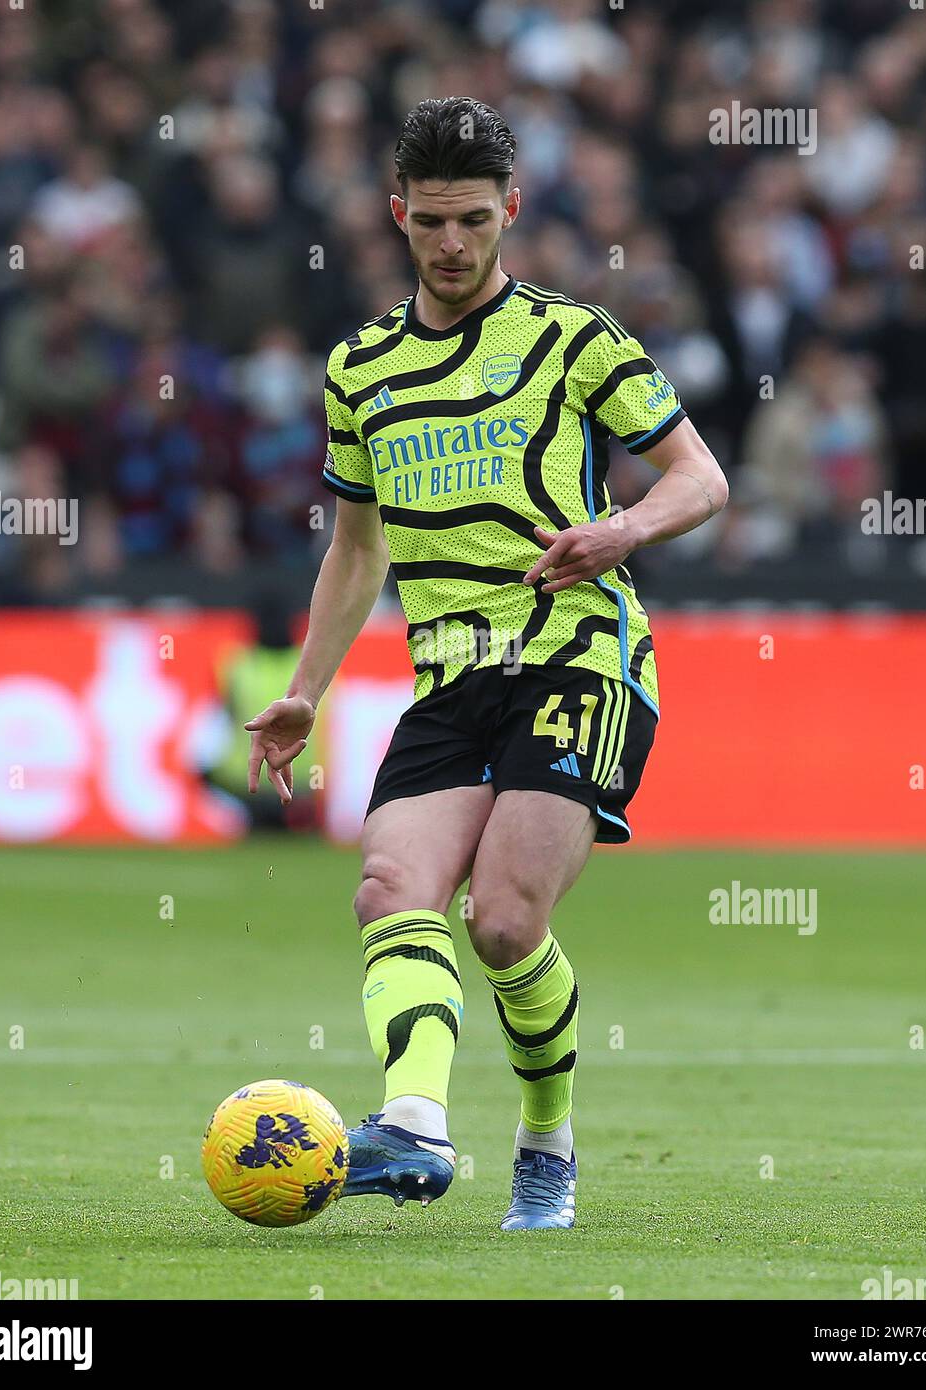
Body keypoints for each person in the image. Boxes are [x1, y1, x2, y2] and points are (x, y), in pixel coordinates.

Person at [245, 97, 728, 1231]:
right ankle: (415, 1125)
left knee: (504, 921)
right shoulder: (359, 368)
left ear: (510, 209)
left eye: (472, 219)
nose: (452, 243)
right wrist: (304, 690)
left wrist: (620, 531)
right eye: (430, 222)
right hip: (449, 673)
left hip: (578, 657)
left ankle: (545, 1146)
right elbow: (356, 548)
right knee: (387, 889)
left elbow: (700, 478)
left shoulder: (576, 338)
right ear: (396, 216)